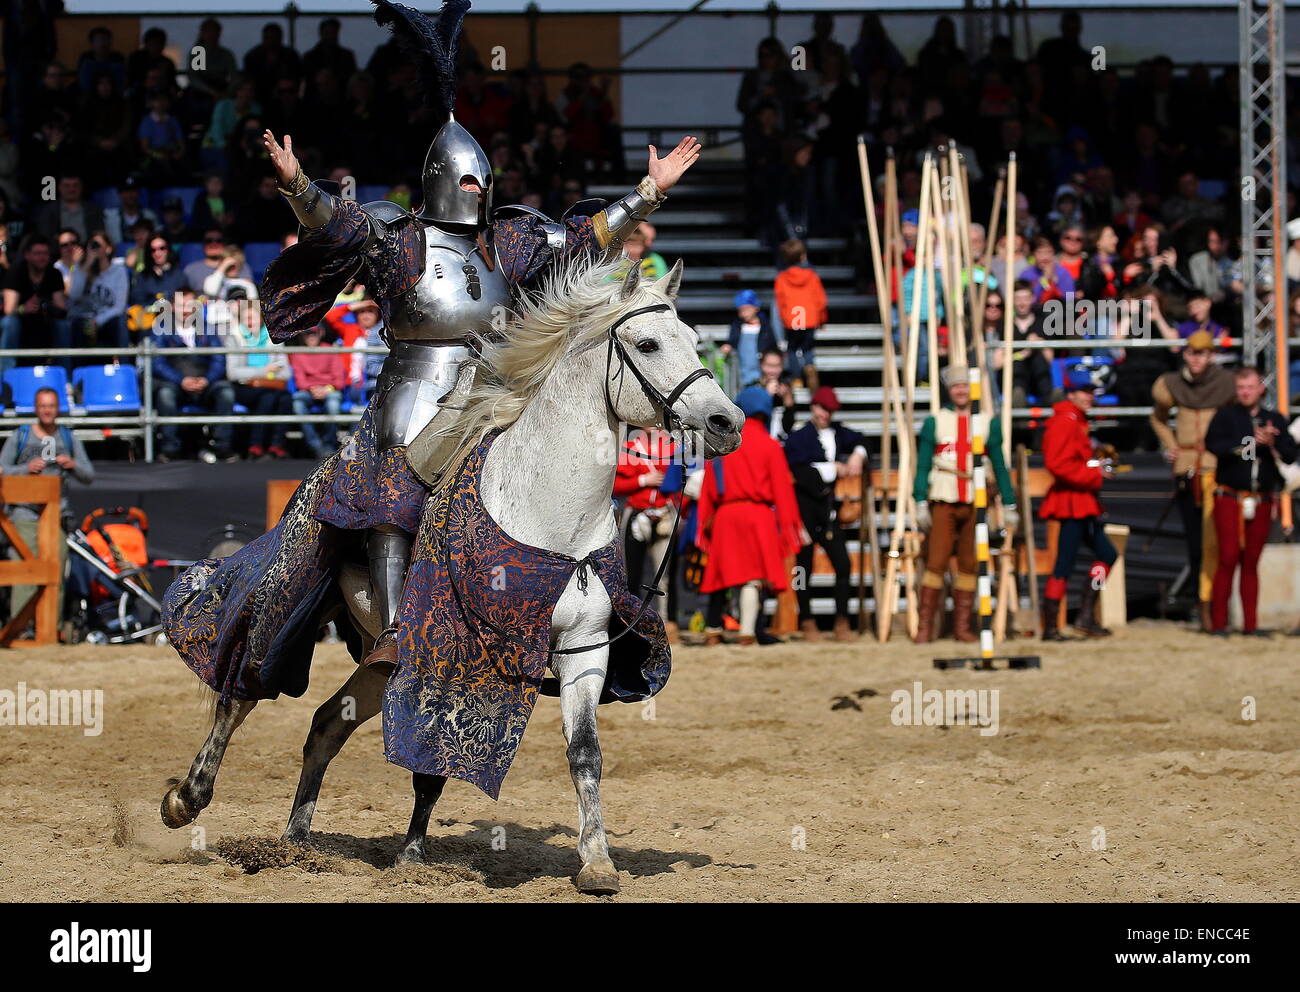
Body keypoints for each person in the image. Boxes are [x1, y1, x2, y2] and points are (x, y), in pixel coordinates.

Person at [240, 0, 699, 675]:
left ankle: (584, 610)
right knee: (394, 489)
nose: (476, 187)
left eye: (482, 178)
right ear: (438, 180)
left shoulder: (509, 239)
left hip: (496, 386)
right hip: (415, 389)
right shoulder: (400, 238)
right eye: (465, 178)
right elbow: (339, 225)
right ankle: (395, 628)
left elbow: (584, 239)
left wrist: (648, 194)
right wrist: (298, 185)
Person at [912, 367, 1018, 643]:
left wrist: (1009, 503)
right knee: (936, 560)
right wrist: (920, 499)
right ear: (949, 390)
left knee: (970, 562)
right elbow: (922, 464)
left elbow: (999, 465)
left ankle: (962, 627)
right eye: (955, 386)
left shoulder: (987, 423)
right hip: (944, 495)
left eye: (965, 386)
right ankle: (926, 627)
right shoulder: (936, 422)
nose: (960, 391)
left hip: (976, 497)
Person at [695, 385, 804, 646]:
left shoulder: (726, 445)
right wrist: (789, 526)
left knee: (720, 574)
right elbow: (783, 491)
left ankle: (712, 632)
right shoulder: (770, 446)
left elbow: (709, 487)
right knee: (752, 577)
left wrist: (704, 522)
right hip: (759, 517)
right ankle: (746, 632)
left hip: (726, 516)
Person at [1149, 330, 1235, 631]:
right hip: (1186, 468)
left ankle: (1213, 602)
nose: (1196, 358)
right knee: (1195, 543)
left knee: (1216, 541)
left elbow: (1239, 420)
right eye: (1191, 352)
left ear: (1211, 355)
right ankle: (1201, 606)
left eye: (1202, 353)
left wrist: (1236, 452)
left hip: (1215, 468)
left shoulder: (1226, 384)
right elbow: (1158, 417)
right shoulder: (1171, 384)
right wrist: (1169, 444)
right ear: (1185, 354)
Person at [1203, 367, 1299, 636]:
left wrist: (1272, 443)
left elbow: (1290, 455)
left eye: (1250, 387)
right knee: (1228, 556)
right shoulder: (1226, 416)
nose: (1245, 392)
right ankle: (1219, 622)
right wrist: (1248, 444)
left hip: (1261, 498)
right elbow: (1215, 445)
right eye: (1241, 387)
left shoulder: (1274, 419)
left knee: (1251, 560)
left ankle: (1250, 624)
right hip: (1230, 496)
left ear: (1260, 389)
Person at [1039, 364, 1119, 640]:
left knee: (1107, 554)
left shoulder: (1077, 420)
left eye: (1090, 391)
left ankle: (1085, 614)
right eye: (1084, 391)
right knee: (1065, 562)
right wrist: (1093, 473)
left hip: (1084, 500)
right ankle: (1051, 625)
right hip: (1071, 500)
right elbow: (1057, 464)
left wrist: (1095, 464)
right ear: (1071, 394)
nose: (1089, 396)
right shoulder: (1064, 421)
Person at [0, 386, 94, 620]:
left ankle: (51, 628)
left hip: (56, 516)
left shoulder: (67, 437)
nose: (47, 411)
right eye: (42, 406)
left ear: (58, 408)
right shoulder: (20, 436)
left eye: (51, 406)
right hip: (24, 514)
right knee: (25, 573)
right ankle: (22, 626)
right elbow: (2, 470)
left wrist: (72, 464)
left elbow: (88, 475)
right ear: (35, 408)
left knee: (55, 574)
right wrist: (26, 469)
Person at [784, 385, 868, 642]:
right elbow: (799, 470)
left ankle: (841, 620)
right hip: (805, 511)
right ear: (813, 407)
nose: (825, 415)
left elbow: (864, 440)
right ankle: (807, 619)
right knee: (802, 570)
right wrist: (832, 469)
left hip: (829, 513)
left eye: (829, 410)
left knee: (843, 564)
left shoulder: (840, 433)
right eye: (822, 408)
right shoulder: (799, 437)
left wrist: (857, 455)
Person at [151, 290, 238, 462]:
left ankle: (222, 447)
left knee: (225, 392)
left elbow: (219, 359)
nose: (186, 309)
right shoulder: (160, 329)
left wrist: (207, 379)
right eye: (181, 305)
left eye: (190, 304)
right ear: (172, 307)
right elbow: (157, 363)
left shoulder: (207, 328)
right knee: (165, 394)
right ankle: (170, 449)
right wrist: (181, 380)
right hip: (175, 383)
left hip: (205, 382)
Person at [614, 427, 682, 640]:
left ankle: (668, 622)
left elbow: (684, 481)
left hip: (664, 514)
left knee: (664, 575)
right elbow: (614, 486)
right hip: (637, 514)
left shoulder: (674, 448)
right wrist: (643, 481)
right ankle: (631, 625)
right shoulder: (629, 449)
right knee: (631, 574)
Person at [224, 290, 292, 460]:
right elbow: (233, 373)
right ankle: (256, 445)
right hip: (244, 386)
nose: (250, 321)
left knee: (285, 398)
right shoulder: (235, 337)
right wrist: (264, 371)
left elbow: (286, 372)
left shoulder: (273, 338)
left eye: (253, 317)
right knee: (268, 398)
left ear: (261, 318)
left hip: (269, 385)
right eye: (246, 318)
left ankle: (276, 446)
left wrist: (266, 376)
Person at [1, 234, 70, 376]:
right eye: (37, 253)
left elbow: (61, 308)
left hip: (45, 323)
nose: (42, 257)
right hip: (20, 324)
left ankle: (65, 378)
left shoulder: (54, 274)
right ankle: (5, 378)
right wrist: (23, 308)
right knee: (10, 323)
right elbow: (9, 309)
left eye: (45, 253)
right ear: (27, 255)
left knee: (63, 325)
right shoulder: (16, 272)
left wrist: (46, 306)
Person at [65, 230, 130, 359]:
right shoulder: (80, 268)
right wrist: (86, 266)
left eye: (98, 245)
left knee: (121, 321)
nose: (95, 249)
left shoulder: (119, 271)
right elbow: (74, 296)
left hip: (106, 319)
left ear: (108, 249)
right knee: (75, 325)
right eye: (91, 245)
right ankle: (75, 375)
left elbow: (119, 306)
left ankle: (124, 368)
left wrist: (97, 321)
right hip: (82, 319)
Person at [288, 326, 349, 459]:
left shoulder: (330, 350)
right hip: (308, 391)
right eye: (307, 333)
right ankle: (315, 445)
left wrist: (326, 389)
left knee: (333, 403)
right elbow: (299, 383)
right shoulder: (297, 353)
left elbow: (339, 381)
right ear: (302, 336)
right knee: (297, 403)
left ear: (320, 333)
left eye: (314, 333)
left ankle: (329, 444)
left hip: (329, 389)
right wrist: (314, 388)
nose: (311, 336)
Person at [774, 238, 827, 388]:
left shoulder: (781, 278)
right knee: (807, 348)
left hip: (792, 320)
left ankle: (796, 377)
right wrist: (822, 320)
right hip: (809, 319)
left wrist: (785, 320)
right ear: (803, 256)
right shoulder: (812, 276)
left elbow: (781, 302)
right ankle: (809, 366)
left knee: (792, 349)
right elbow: (820, 300)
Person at [724, 289, 779, 388]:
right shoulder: (738, 326)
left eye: (746, 310)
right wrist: (729, 346)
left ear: (756, 308)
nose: (743, 314)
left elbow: (772, 345)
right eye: (740, 311)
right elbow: (732, 341)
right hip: (743, 371)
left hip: (761, 372)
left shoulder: (765, 326)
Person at [757, 346, 796, 440]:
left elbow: (788, 427)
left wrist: (788, 403)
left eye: (777, 366)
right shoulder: (753, 388)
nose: (773, 371)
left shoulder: (786, 389)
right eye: (769, 366)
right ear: (761, 365)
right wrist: (766, 395)